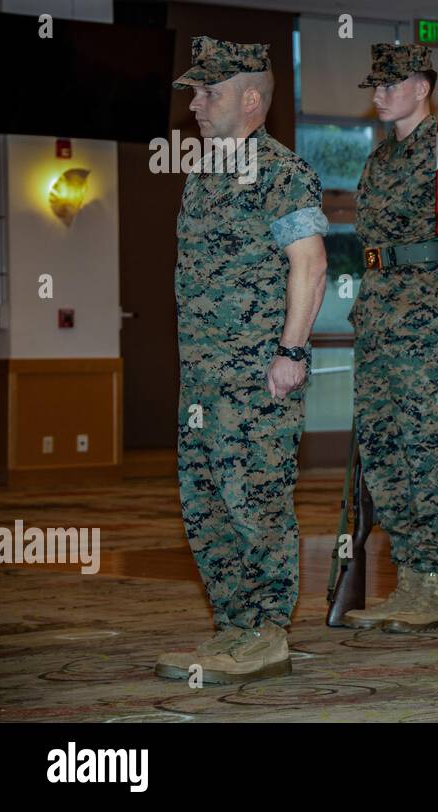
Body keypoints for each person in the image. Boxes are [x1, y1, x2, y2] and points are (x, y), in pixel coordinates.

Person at [158, 36, 328, 683]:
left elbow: (310, 265)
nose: (197, 104)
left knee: (254, 500)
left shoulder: (283, 172)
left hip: (257, 379)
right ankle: (233, 627)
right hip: (202, 380)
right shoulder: (205, 173)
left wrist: (292, 351)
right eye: (195, 92)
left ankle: (266, 631)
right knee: (204, 504)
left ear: (251, 98)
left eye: (211, 91)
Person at [340, 43, 438, 632]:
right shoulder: (379, 159)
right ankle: (410, 576)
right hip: (380, 315)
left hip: (428, 315)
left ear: (423, 87)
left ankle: (437, 579)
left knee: (427, 453)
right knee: (384, 452)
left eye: (391, 84)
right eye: (376, 85)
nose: (380, 94)